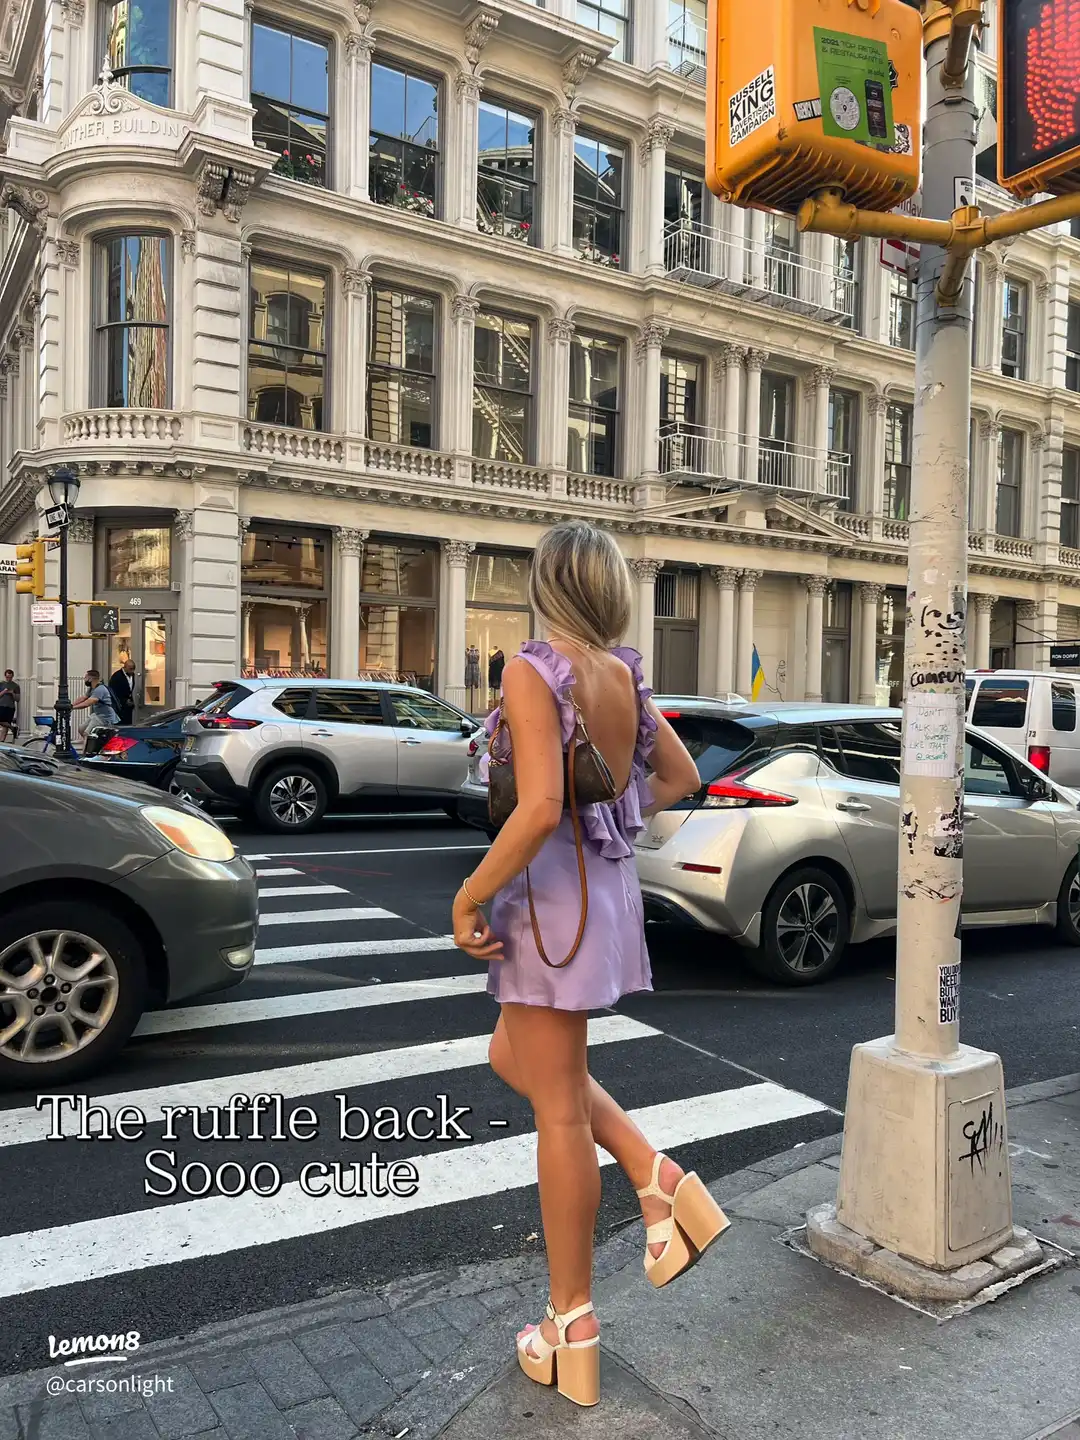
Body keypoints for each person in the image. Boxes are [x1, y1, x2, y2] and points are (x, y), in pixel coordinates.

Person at [451, 521, 729, 1409]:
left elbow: (534, 807)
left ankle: (570, 1325)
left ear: (548, 586)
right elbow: (680, 776)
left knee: (558, 1109)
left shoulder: (537, 669)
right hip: (601, 893)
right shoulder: (620, 675)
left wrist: (469, 894)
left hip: (553, 898)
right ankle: (658, 1179)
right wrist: (609, 817)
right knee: (519, 1061)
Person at [71, 668, 119, 749]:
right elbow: (84, 698)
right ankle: (92, 744)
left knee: (87, 733)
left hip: (105, 717)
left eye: (86, 677)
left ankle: (86, 755)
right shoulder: (92, 688)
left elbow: (88, 703)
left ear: (91, 678)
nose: (84, 679)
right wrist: (71, 705)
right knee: (81, 729)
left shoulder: (100, 689)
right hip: (97, 714)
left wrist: (73, 708)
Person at [109, 657, 137, 726]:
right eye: (130, 669)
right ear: (125, 667)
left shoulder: (132, 675)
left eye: (133, 669)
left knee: (128, 723)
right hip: (119, 706)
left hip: (128, 706)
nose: (132, 671)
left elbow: (130, 689)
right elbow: (113, 692)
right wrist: (123, 700)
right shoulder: (116, 676)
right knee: (120, 724)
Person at [0, 669, 19, 742]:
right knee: (5, 723)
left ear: (12, 676)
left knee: (5, 726)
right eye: (7, 677)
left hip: (10, 707)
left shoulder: (15, 686)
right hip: (1, 705)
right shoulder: (1, 684)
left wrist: (12, 693)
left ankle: (2, 741)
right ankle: (13, 728)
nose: (9, 679)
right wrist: (4, 691)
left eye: (10, 677)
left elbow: (17, 699)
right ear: (5, 676)